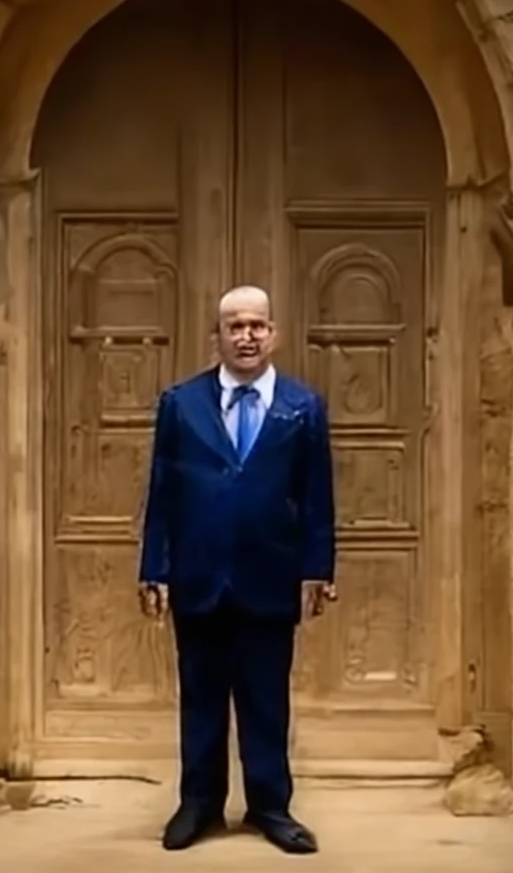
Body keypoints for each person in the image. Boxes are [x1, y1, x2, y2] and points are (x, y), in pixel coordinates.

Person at [138, 285, 337, 854]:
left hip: (269, 579)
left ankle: (270, 806)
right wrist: (155, 566)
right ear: (217, 337)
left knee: (265, 698)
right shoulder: (181, 404)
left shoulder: (303, 408)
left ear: (272, 333)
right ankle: (199, 803)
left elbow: (317, 496)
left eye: (256, 325)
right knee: (200, 696)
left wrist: (316, 569)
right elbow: (163, 492)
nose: (246, 335)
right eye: (234, 326)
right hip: (198, 579)